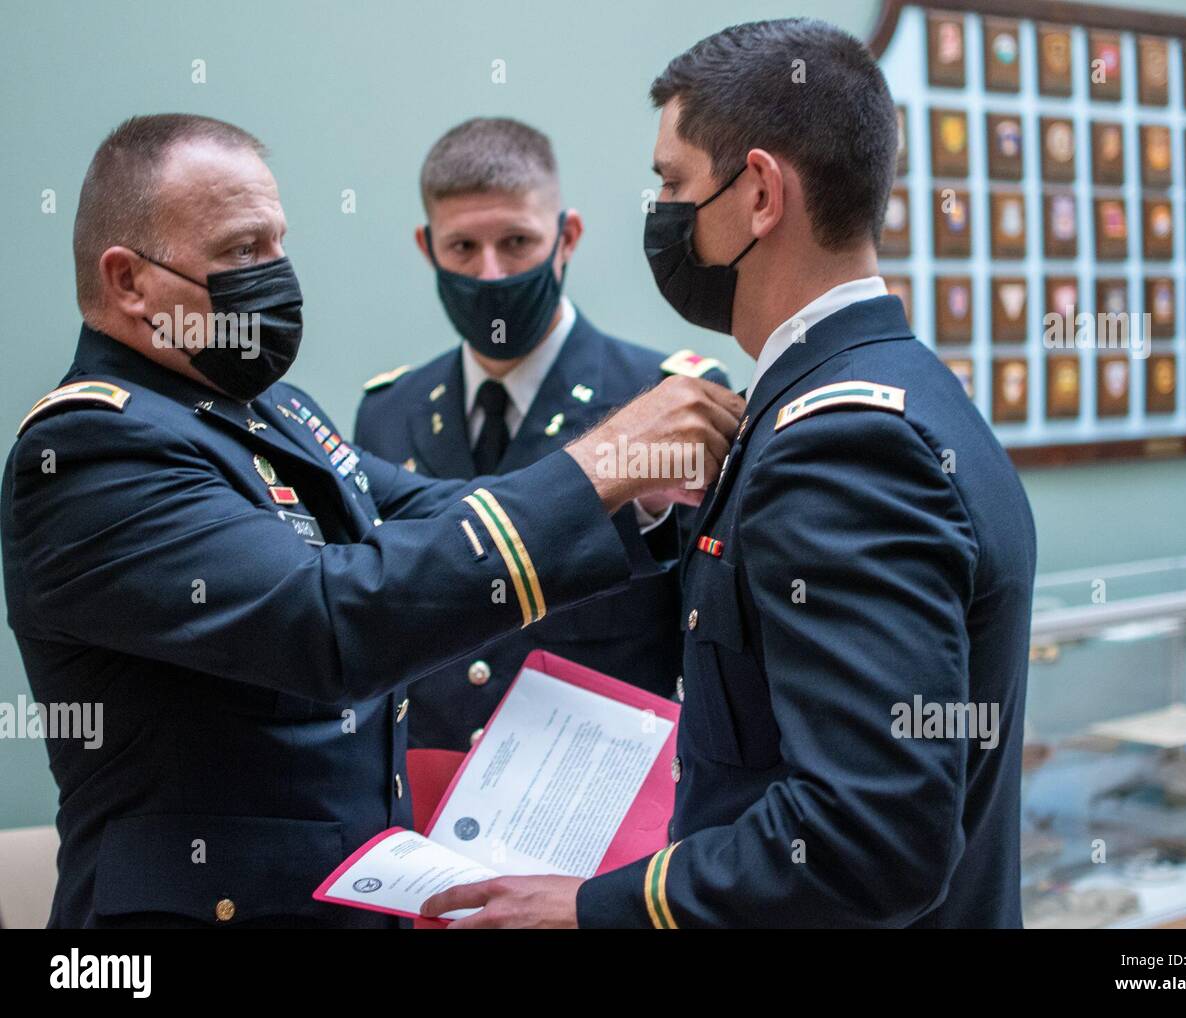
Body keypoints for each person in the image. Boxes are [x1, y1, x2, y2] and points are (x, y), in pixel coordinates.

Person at [1, 113, 743, 928]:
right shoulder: (93, 450)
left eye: (278, 245)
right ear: (130, 282)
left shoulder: (263, 409)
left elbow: (426, 509)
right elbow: (323, 620)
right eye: (242, 252)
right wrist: (596, 464)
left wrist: (630, 495)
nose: (276, 275)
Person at [421, 17, 1037, 929]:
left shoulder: (840, 438)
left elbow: (867, 838)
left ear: (758, 194)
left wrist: (598, 906)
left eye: (673, 183)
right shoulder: (881, 387)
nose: (661, 212)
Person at [354, 117, 727, 749]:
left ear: (567, 236)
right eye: (464, 248)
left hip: (600, 815)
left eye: (518, 241)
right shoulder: (388, 411)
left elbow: (704, 636)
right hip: (426, 806)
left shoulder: (665, 403)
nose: (493, 274)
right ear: (427, 247)